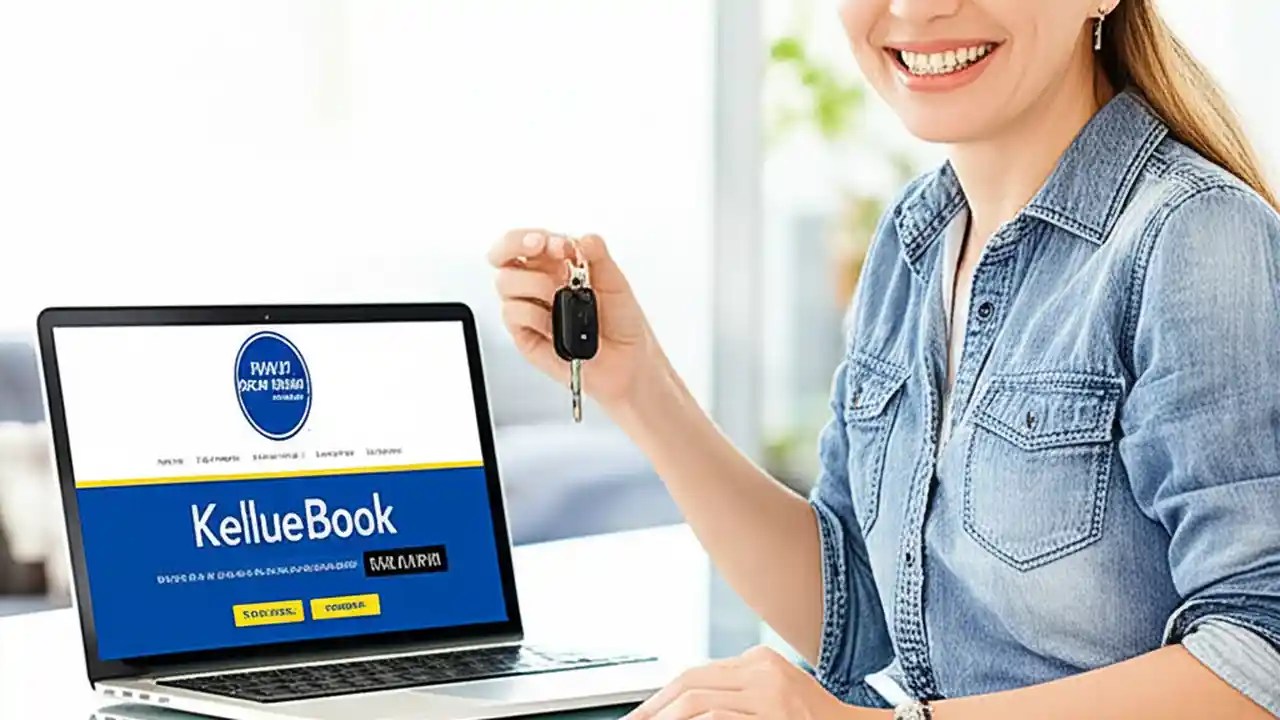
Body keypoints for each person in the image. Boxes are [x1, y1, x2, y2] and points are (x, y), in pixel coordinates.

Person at [488, 0, 1280, 717]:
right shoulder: (916, 239)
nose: (918, 8)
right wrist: (639, 386)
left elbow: (1261, 655)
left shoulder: (1194, 238)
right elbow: (855, 611)